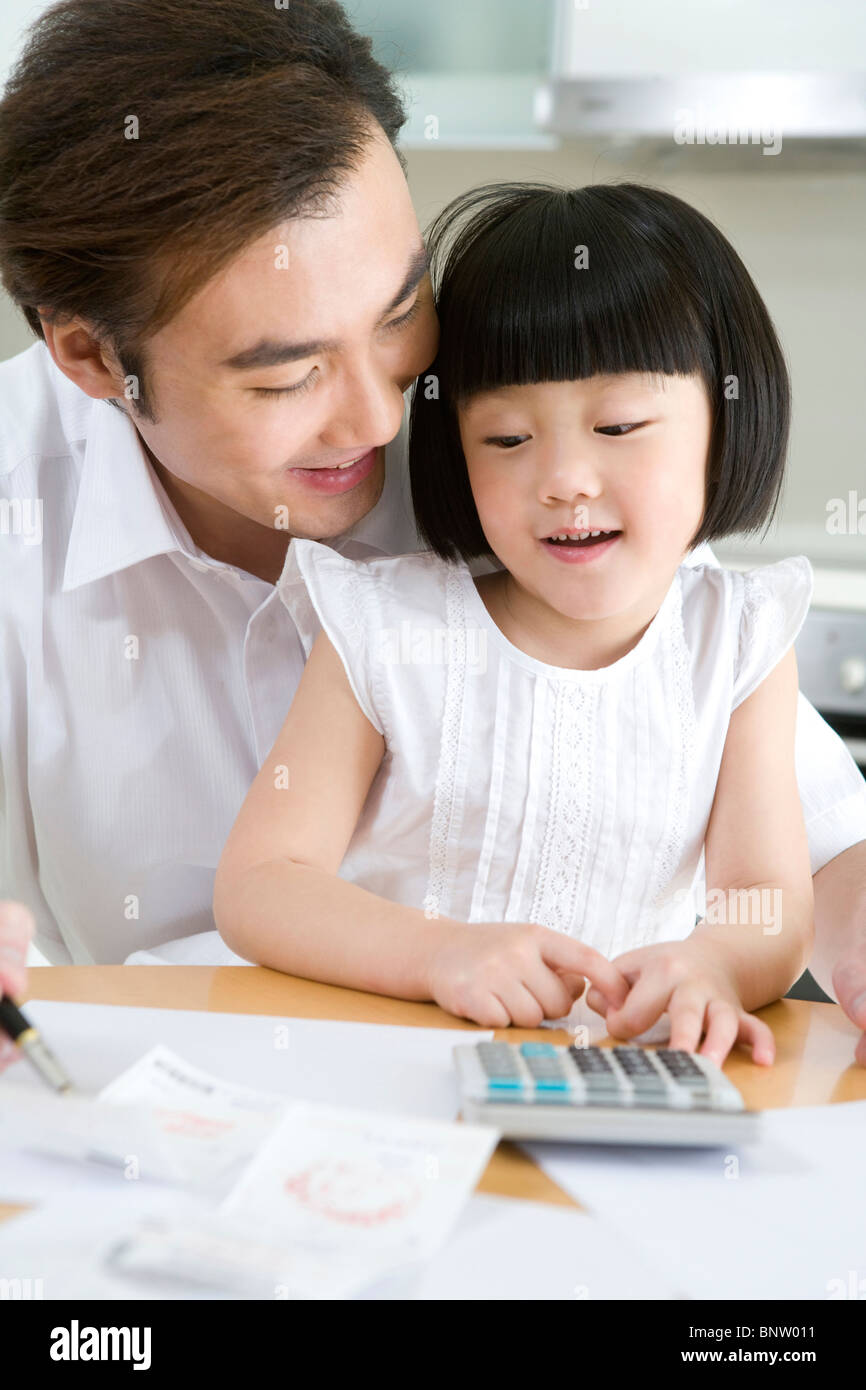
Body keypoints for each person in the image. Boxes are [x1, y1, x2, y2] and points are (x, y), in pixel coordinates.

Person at [0, 2, 864, 1060]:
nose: (379, 418)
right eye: (286, 374)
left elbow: (815, 840)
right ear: (89, 358)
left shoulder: (527, 453)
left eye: (400, 312)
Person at [215, 181, 823, 1065]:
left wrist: (716, 964)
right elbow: (261, 885)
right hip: (378, 1068)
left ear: (725, 423)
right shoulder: (384, 629)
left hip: (610, 1080)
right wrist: (439, 954)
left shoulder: (738, 643)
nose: (565, 479)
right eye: (507, 440)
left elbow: (766, 897)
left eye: (619, 425)